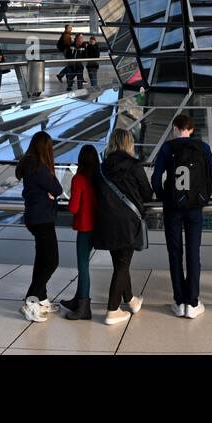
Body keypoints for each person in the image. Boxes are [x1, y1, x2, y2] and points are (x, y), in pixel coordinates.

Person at [152, 112, 212, 319]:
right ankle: (193, 302)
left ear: (175, 129)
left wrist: (165, 197)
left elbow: (156, 178)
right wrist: (202, 197)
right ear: (191, 130)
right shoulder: (203, 148)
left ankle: (179, 301)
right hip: (194, 209)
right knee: (193, 253)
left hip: (172, 208)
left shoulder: (167, 148)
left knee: (174, 254)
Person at [93, 128, 152, 325]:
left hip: (106, 221)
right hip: (128, 222)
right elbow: (147, 193)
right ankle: (112, 310)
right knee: (122, 265)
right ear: (129, 143)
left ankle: (131, 300)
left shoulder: (102, 168)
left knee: (119, 263)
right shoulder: (134, 165)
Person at [16, 132, 63, 322]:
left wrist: (49, 191)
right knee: (52, 261)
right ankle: (31, 300)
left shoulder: (28, 163)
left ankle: (41, 299)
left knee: (42, 259)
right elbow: (58, 189)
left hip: (34, 218)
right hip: (42, 219)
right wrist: (51, 192)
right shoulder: (39, 167)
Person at [61, 143, 100, 321]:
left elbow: (74, 208)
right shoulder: (99, 177)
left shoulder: (79, 179)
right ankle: (78, 299)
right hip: (98, 225)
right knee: (84, 266)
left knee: (83, 267)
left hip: (85, 227)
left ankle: (84, 307)